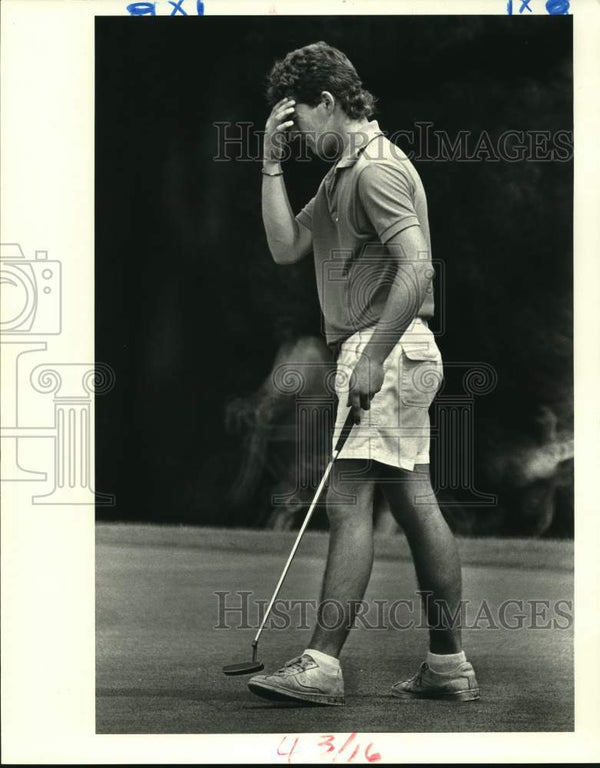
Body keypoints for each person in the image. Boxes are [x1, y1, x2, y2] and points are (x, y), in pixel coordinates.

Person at [248, 41, 480, 705]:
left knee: (350, 501)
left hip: (388, 346)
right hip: (397, 348)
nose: (298, 137)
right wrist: (269, 166)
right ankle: (448, 665)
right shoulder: (337, 176)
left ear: (327, 100)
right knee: (412, 500)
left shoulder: (376, 170)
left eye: (299, 122)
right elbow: (285, 248)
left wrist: (373, 353)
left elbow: (418, 268)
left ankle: (321, 664)